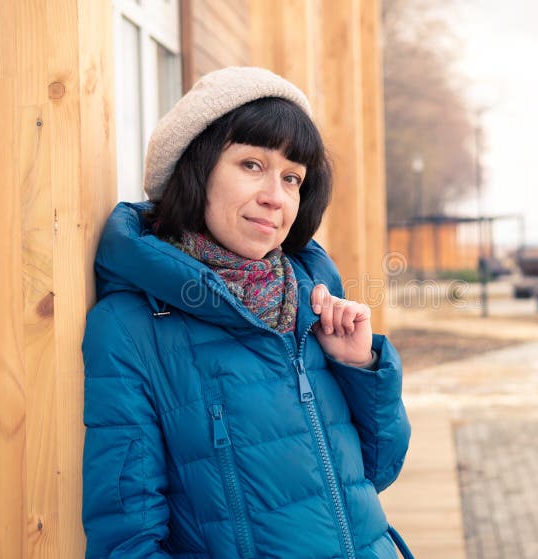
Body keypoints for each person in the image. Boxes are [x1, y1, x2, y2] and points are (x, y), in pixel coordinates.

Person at [81, 66, 413, 559]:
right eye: (251, 165)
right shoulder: (132, 327)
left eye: (292, 177)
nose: (274, 197)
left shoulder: (311, 300)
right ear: (196, 169)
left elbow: (374, 472)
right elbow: (127, 540)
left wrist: (358, 367)